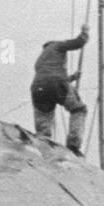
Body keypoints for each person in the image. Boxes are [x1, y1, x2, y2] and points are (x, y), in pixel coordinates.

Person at [31, 25, 89, 154]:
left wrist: (72, 77)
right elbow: (78, 42)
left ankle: (42, 143)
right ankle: (73, 145)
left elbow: (48, 79)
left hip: (38, 88)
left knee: (44, 118)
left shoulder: (40, 60)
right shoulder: (57, 46)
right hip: (57, 84)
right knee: (79, 109)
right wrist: (84, 33)